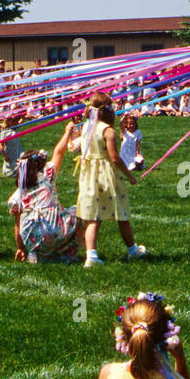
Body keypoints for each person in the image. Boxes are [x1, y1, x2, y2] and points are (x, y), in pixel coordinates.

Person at [77, 93, 145, 268]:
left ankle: (91, 256)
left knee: (93, 217)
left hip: (88, 176)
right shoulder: (107, 130)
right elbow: (114, 157)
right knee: (122, 213)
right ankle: (132, 250)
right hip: (106, 176)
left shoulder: (86, 127)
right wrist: (130, 175)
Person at [9, 132, 80, 264]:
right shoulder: (48, 175)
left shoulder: (17, 196)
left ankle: (35, 254)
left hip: (31, 237)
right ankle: (66, 255)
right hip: (52, 230)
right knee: (82, 213)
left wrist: (21, 248)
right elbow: (59, 152)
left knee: (35, 229)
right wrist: (67, 131)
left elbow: (18, 225)